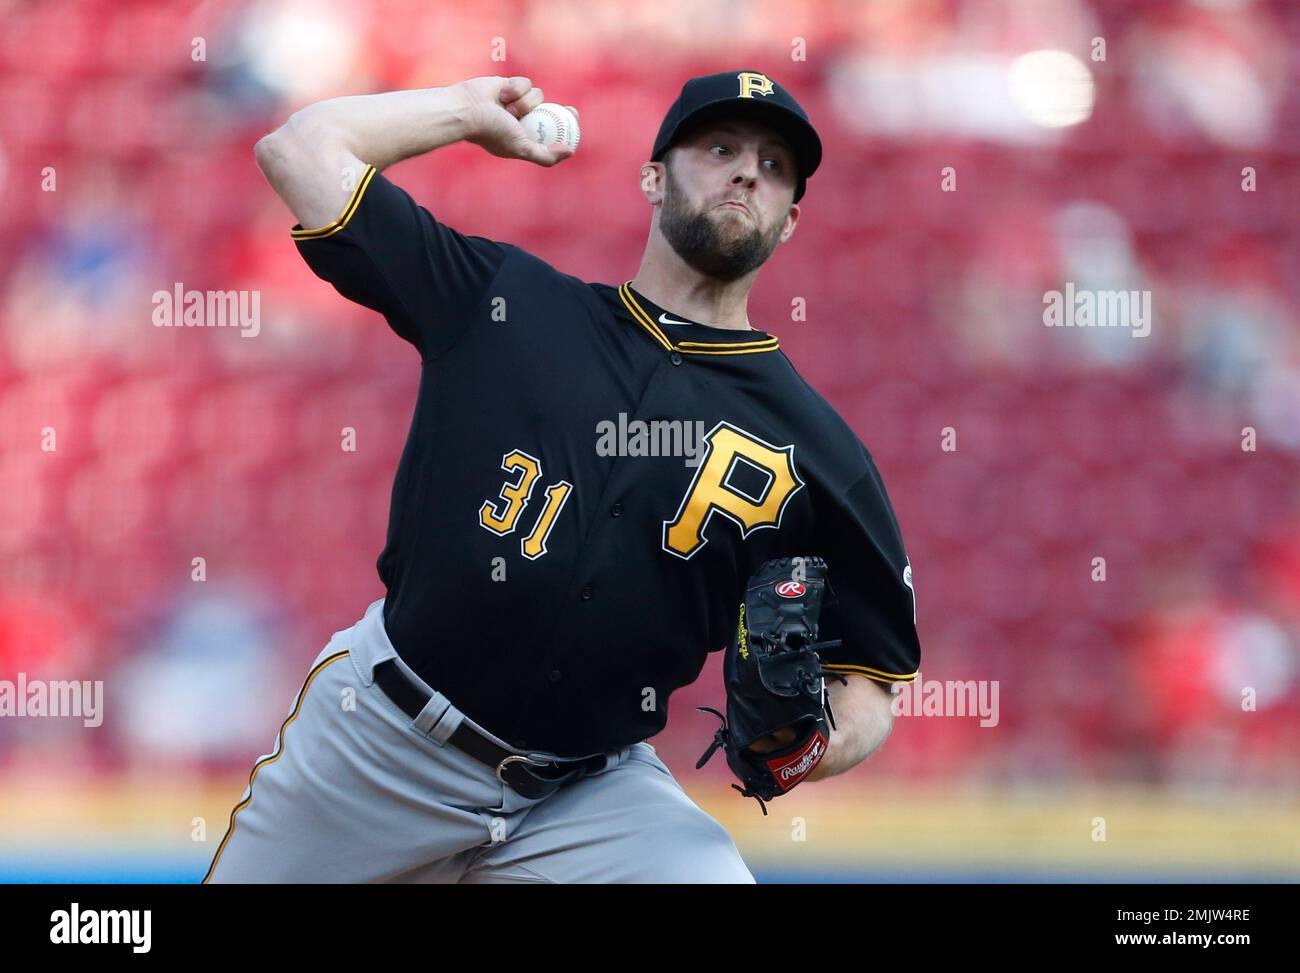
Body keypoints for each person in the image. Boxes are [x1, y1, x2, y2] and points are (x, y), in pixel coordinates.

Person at [204, 70, 920, 884]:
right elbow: (298, 151)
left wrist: (815, 745)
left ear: (790, 219)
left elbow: (876, 676)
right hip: (382, 746)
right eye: (719, 147)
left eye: (775, 164)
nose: (746, 171)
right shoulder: (506, 303)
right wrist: (469, 114)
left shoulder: (819, 449)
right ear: (653, 177)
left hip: (590, 795)